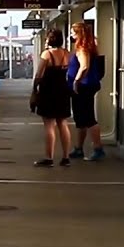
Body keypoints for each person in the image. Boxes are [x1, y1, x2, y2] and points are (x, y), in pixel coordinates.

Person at [30, 29, 73, 167]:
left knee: (49, 125)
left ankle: (49, 158)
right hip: (63, 91)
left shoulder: (47, 54)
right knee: (63, 123)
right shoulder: (67, 54)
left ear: (50, 39)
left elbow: (39, 74)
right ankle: (66, 157)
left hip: (48, 92)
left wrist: (34, 90)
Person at [67, 21, 106, 161]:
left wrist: (76, 81)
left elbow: (84, 67)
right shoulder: (89, 47)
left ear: (79, 34)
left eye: (73, 32)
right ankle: (79, 148)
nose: (71, 35)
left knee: (88, 118)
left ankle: (98, 148)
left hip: (83, 86)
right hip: (86, 85)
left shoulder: (82, 49)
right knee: (80, 119)